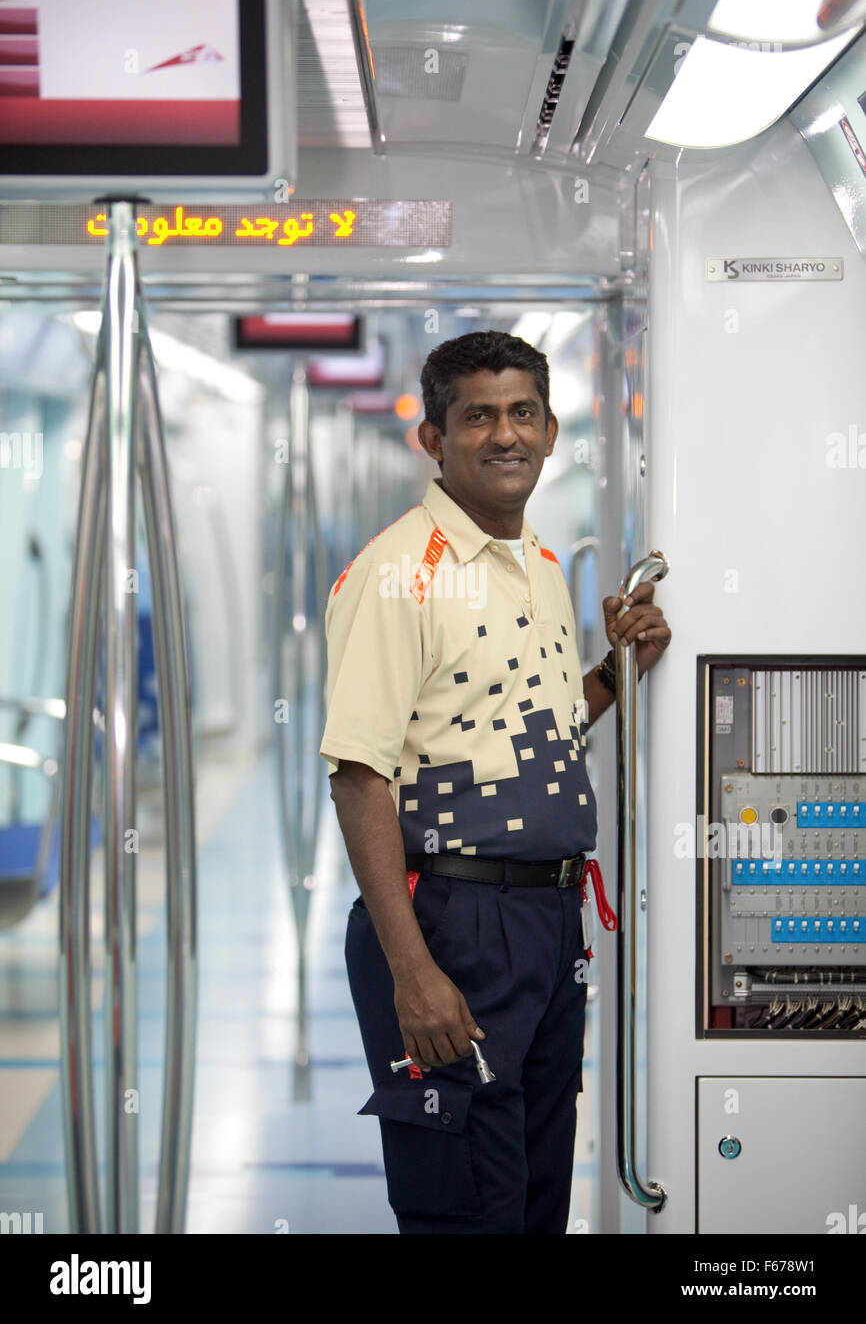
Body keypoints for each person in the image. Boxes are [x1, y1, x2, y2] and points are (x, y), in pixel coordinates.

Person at [320, 330, 671, 1234]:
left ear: (553, 432)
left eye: (522, 413)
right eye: (477, 416)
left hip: (550, 925)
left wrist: (615, 673)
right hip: (449, 924)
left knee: (534, 1196)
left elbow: (529, 733)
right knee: (469, 1204)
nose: (504, 435)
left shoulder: (539, 567)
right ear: (433, 438)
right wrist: (414, 974)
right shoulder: (401, 574)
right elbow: (360, 777)